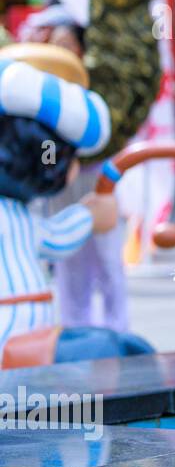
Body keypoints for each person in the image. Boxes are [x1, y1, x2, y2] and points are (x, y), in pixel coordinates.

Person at [0, 44, 151, 365]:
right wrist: (90, 214)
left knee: (113, 349)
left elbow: (49, 237)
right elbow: (52, 237)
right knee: (113, 352)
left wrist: (89, 214)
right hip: (12, 342)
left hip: (28, 338)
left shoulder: (21, 219)